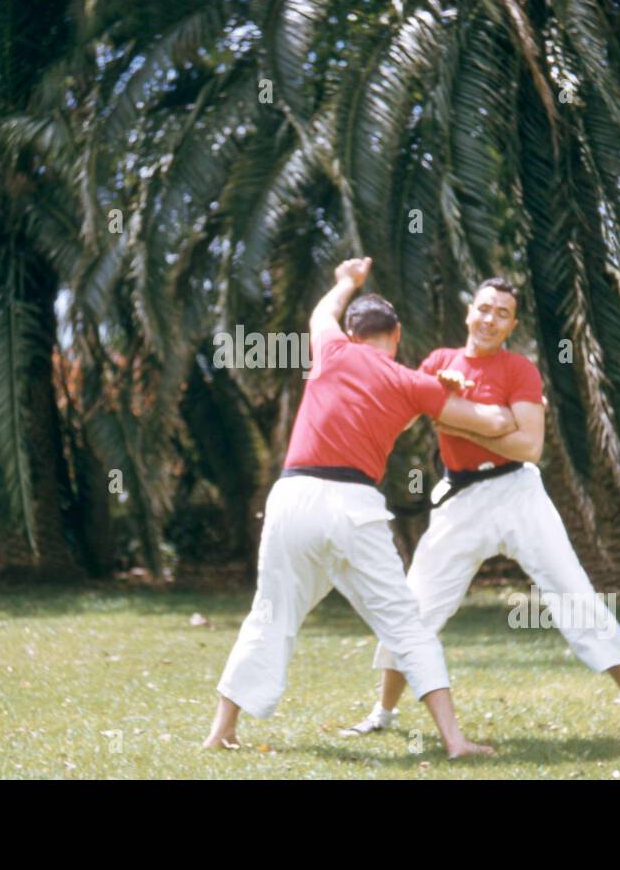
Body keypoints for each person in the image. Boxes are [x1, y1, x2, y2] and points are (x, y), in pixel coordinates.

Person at [203, 258, 518, 758]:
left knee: (269, 614)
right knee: (404, 623)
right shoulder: (411, 383)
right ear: (395, 335)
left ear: (352, 333)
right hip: (352, 505)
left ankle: (221, 730)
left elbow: (321, 311)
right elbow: (489, 424)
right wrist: (508, 409)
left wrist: (346, 281)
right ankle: (455, 740)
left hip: (292, 499)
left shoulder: (330, 348)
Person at [340, 278, 620, 742]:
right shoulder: (438, 363)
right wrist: (486, 420)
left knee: (572, 589)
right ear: (469, 312)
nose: (490, 319)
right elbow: (408, 412)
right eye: (484, 309)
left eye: (502, 314)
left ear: (512, 325)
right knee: (414, 605)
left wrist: (455, 417)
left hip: (518, 494)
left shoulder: (520, 370)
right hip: (459, 499)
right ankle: (383, 712)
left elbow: (529, 446)